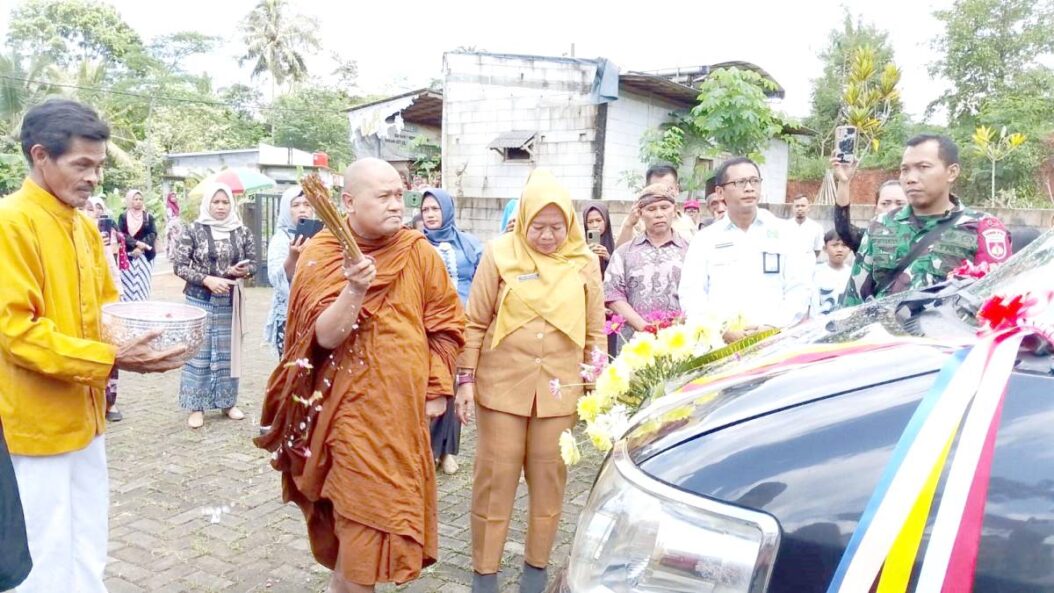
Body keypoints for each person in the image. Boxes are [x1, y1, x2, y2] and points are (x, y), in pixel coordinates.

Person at [0, 98, 185, 593]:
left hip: (88, 412)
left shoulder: (83, 224)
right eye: (82, 165)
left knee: (88, 540)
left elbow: (107, 308)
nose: (94, 179)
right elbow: (16, 332)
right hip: (35, 424)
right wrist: (112, 357)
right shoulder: (11, 223)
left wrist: (143, 338)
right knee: (41, 554)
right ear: (41, 156)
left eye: (99, 166)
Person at [255, 158, 465, 593]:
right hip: (346, 415)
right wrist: (354, 288)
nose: (397, 205)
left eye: (400, 195)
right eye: (384, 196)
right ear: (348, 202)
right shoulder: (324, 253)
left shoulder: (417, 251)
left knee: (367, 534)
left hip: (402, 416)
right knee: (361, 533)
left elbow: (446, 325)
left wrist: (438, 388)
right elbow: (324, 338)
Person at [455, 169, 604, 593]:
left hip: (560, 392)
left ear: (571, 225)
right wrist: (464, 380)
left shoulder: (585, 262)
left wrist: (596, 389)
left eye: (557, 227)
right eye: (538, 226)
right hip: (500, 388)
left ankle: (535, 575)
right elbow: (475, 323)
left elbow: (595, 332)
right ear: (522, 220)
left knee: (549, 483)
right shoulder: (499, 253)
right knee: (494, 482)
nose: (547, 235)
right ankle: (485, 577)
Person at [841, 135, 1012, 306]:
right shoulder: (881, 225)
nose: (910, 178)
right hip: (884, 332)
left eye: (923, 167)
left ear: (952, 172)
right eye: (905, 170)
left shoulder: (983, 228)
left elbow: (997, 301)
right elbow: (854, 299)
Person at [679, 157, 812, 342]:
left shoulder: (785, 233)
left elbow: (799, 289)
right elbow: (691, 295)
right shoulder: (705, 239)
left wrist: (772, 327)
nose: (749, 187)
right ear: (719, 192)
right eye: (740, 182)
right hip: (720, 346)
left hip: (775, 343)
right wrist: (721, 330)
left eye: (754, 181)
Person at [172, 182, 256, 429]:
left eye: (225, 202)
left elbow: (253, 263)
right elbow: (180, 265)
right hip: (200, 300)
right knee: (199, 353)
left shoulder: (242, 232)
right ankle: (195, 406)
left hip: (230, 301)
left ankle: (227, 403)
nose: (221, 207)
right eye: (216, 202)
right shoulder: (193, 230)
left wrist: (239, 271)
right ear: (208, 203)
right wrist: (207, 279)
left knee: (228, 353)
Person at [421, 188, 483, 475]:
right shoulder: (415, 244)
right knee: (430, 387)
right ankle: (427, 449)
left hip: (460, 326)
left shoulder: (469, 245)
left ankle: (446, 451)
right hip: (425, 328)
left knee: (454, 386)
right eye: (426, 210)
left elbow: (483, 281)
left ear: (447, 211)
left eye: (435, 209)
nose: (431, 215)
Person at [604, 184, 690, 343]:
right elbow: (612, 294)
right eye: (651, 209)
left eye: (664, 207)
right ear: (640, 213)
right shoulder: (624, 253)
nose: (659, 214)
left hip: (682, 342)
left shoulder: (691, 250)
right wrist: (644, 327)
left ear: (675, 209)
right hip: (635, 345)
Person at [86, 197, 125, 422]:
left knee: (109, 352)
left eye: (92, 210)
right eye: (84, 209)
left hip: (104, 307)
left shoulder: (98, 239)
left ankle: (110, 403)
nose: (88, 213)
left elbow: (112, 274)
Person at [265, 185, 315, 357]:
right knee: (291, 369)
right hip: (290, 315)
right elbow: (276, 279)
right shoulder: (280, 239)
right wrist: (293, 257)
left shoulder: (322, 237)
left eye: (307, 204)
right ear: (287, 209)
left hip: (316, 312)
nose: (302, 209)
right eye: (296, 205)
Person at [831, 158, 908, 253]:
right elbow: (843, 228)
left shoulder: (922, 239)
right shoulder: (866, 239)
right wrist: (844, 182)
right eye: (885, 203)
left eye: (900, 204)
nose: (892, 209)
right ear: (876, 209)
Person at [615, 163, 684, 247]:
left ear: (677, 189)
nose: (662, 193)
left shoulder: (687, 223)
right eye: (656, 188)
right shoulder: (635, 222)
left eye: (668, 189)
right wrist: (629, 225)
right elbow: (619, 255)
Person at [583, 202, 618, 357]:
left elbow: (621, 277)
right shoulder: (578, 247)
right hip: (588, 308)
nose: (595, 225)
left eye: (599, 220)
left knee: (610, 353)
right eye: (590, 222)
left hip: (611, 311)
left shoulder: (617, 244)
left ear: (606, 221)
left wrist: (609, 257)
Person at [117, 189, 158, 301]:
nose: (138, 201)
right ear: (130, 201)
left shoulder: (148, 217)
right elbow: (121, 234)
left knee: (143, 284)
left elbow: (153, 233)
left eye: (140, 199)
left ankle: (142, 308)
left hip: (145, 256)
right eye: (135, 199)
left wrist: (141, 247)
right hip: (128, 256)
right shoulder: (123, 216)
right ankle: (128, 310)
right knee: (128, 285)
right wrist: (135, 243)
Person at [812, 230, 853, 316]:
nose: (839, 249)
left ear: (850, 249)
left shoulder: (853, 274)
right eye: (835, 245)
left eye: (844, 245)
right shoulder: (816, 273)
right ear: (825, 249)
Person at [789, 194, 825, 261]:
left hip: (808, 266)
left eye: (803, 206)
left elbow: (817, 250)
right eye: (797, 206)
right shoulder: (784, 226)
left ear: (808, 208)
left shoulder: (817, 228)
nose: (800, 208)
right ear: (793, 208)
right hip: (788, 266)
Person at [164, 190, 186, 260]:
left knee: (178, 239)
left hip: (177, 223)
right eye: (172, 197)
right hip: (172, 225)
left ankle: (176, 254)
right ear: (169, 198)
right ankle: (172, 255)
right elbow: (170, 216)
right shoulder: (169, 206)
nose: (173, 198)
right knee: (172, 240)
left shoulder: (176, 205)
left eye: (174, 197)